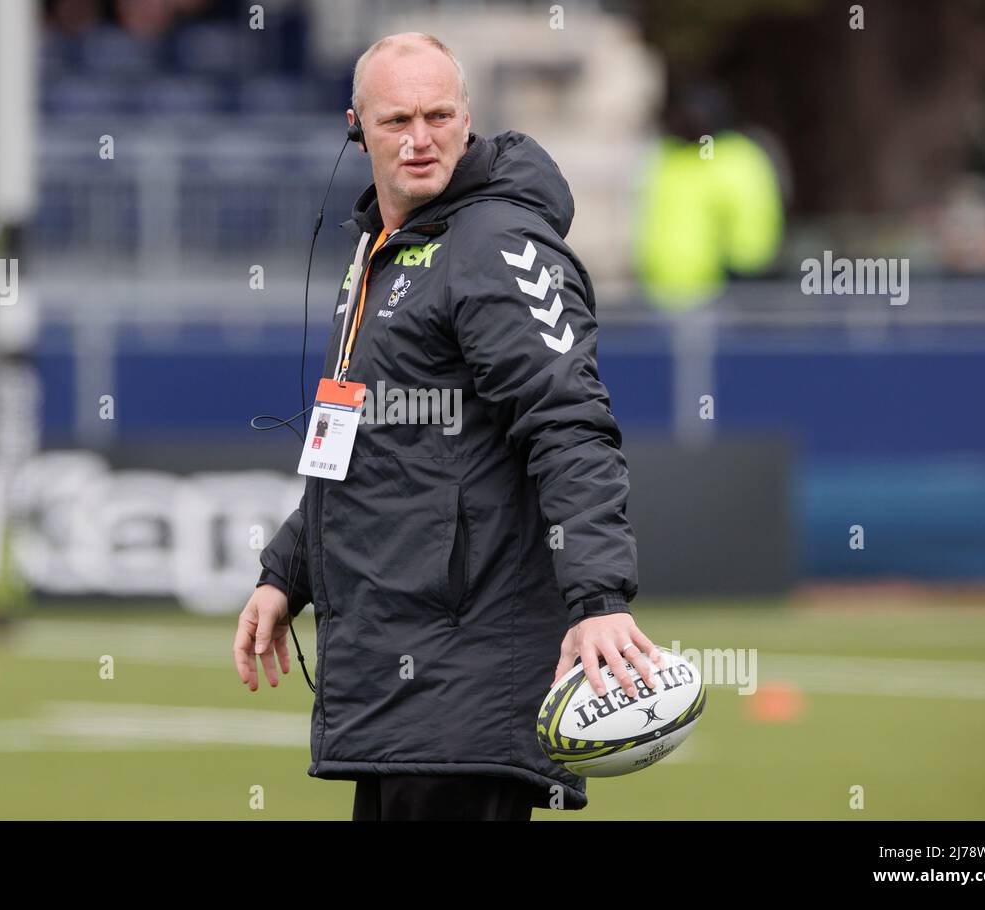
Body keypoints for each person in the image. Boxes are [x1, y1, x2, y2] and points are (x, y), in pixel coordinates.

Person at [233, 32, 663, 821]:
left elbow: (568, 422)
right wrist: (285, 572)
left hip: (467, 682)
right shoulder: (381, 250)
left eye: (439, 115)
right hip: (396, 688)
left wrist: (599, 596)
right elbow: (365, 447)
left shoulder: (494, 244)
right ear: (355, 128)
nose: (422, 138)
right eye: (398, 120)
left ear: (469, 120)